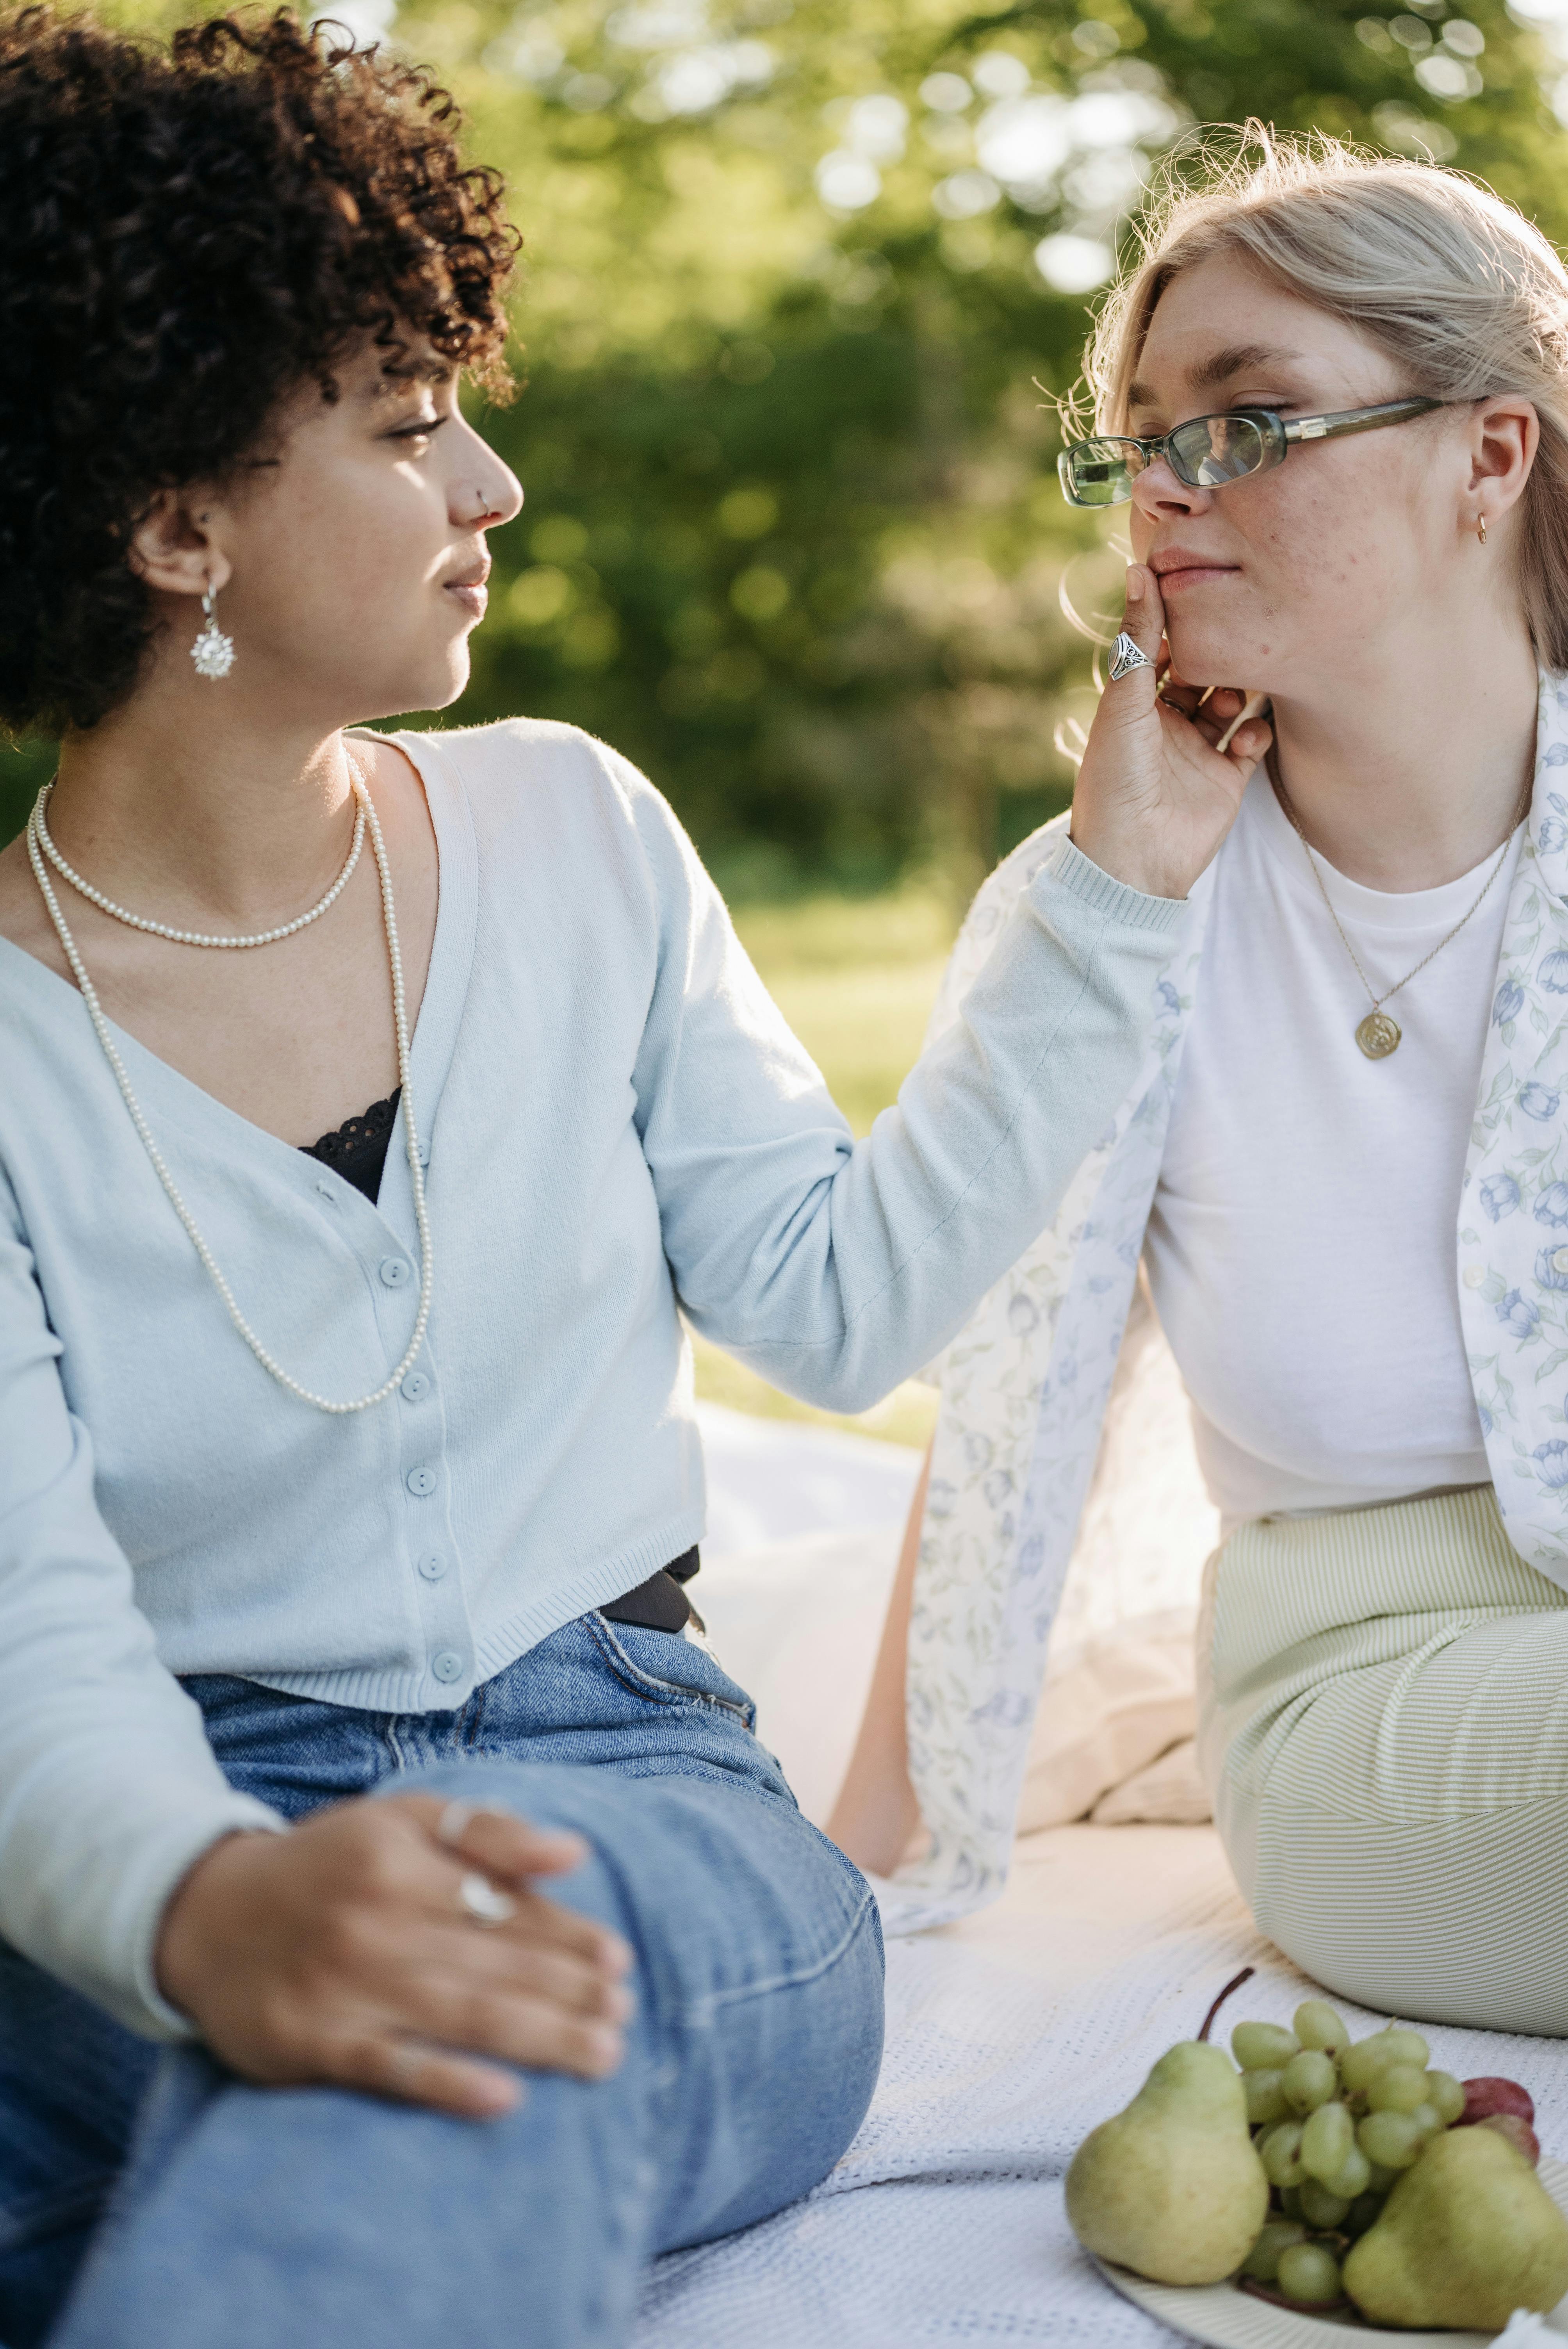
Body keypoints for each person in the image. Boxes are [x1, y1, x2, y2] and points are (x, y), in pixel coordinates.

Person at [0, 11, 1266, 2343]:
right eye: (408, 428)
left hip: (639, 1808)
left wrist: (1117, 882)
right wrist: (211, 1910)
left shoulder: (573, 828)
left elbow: (834, 1299)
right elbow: (26, 1648)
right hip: (162, 1828)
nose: (492, 483)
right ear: (175, 526)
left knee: (475, 1987)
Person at [830, 131, 1568, 2039]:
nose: (1161, 490)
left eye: (1244, 424)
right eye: (1138, 439)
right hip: (1360, 1687)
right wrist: (861, 1848)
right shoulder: (1112, 907)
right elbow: (1012, 1396)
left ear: (1488, 456)